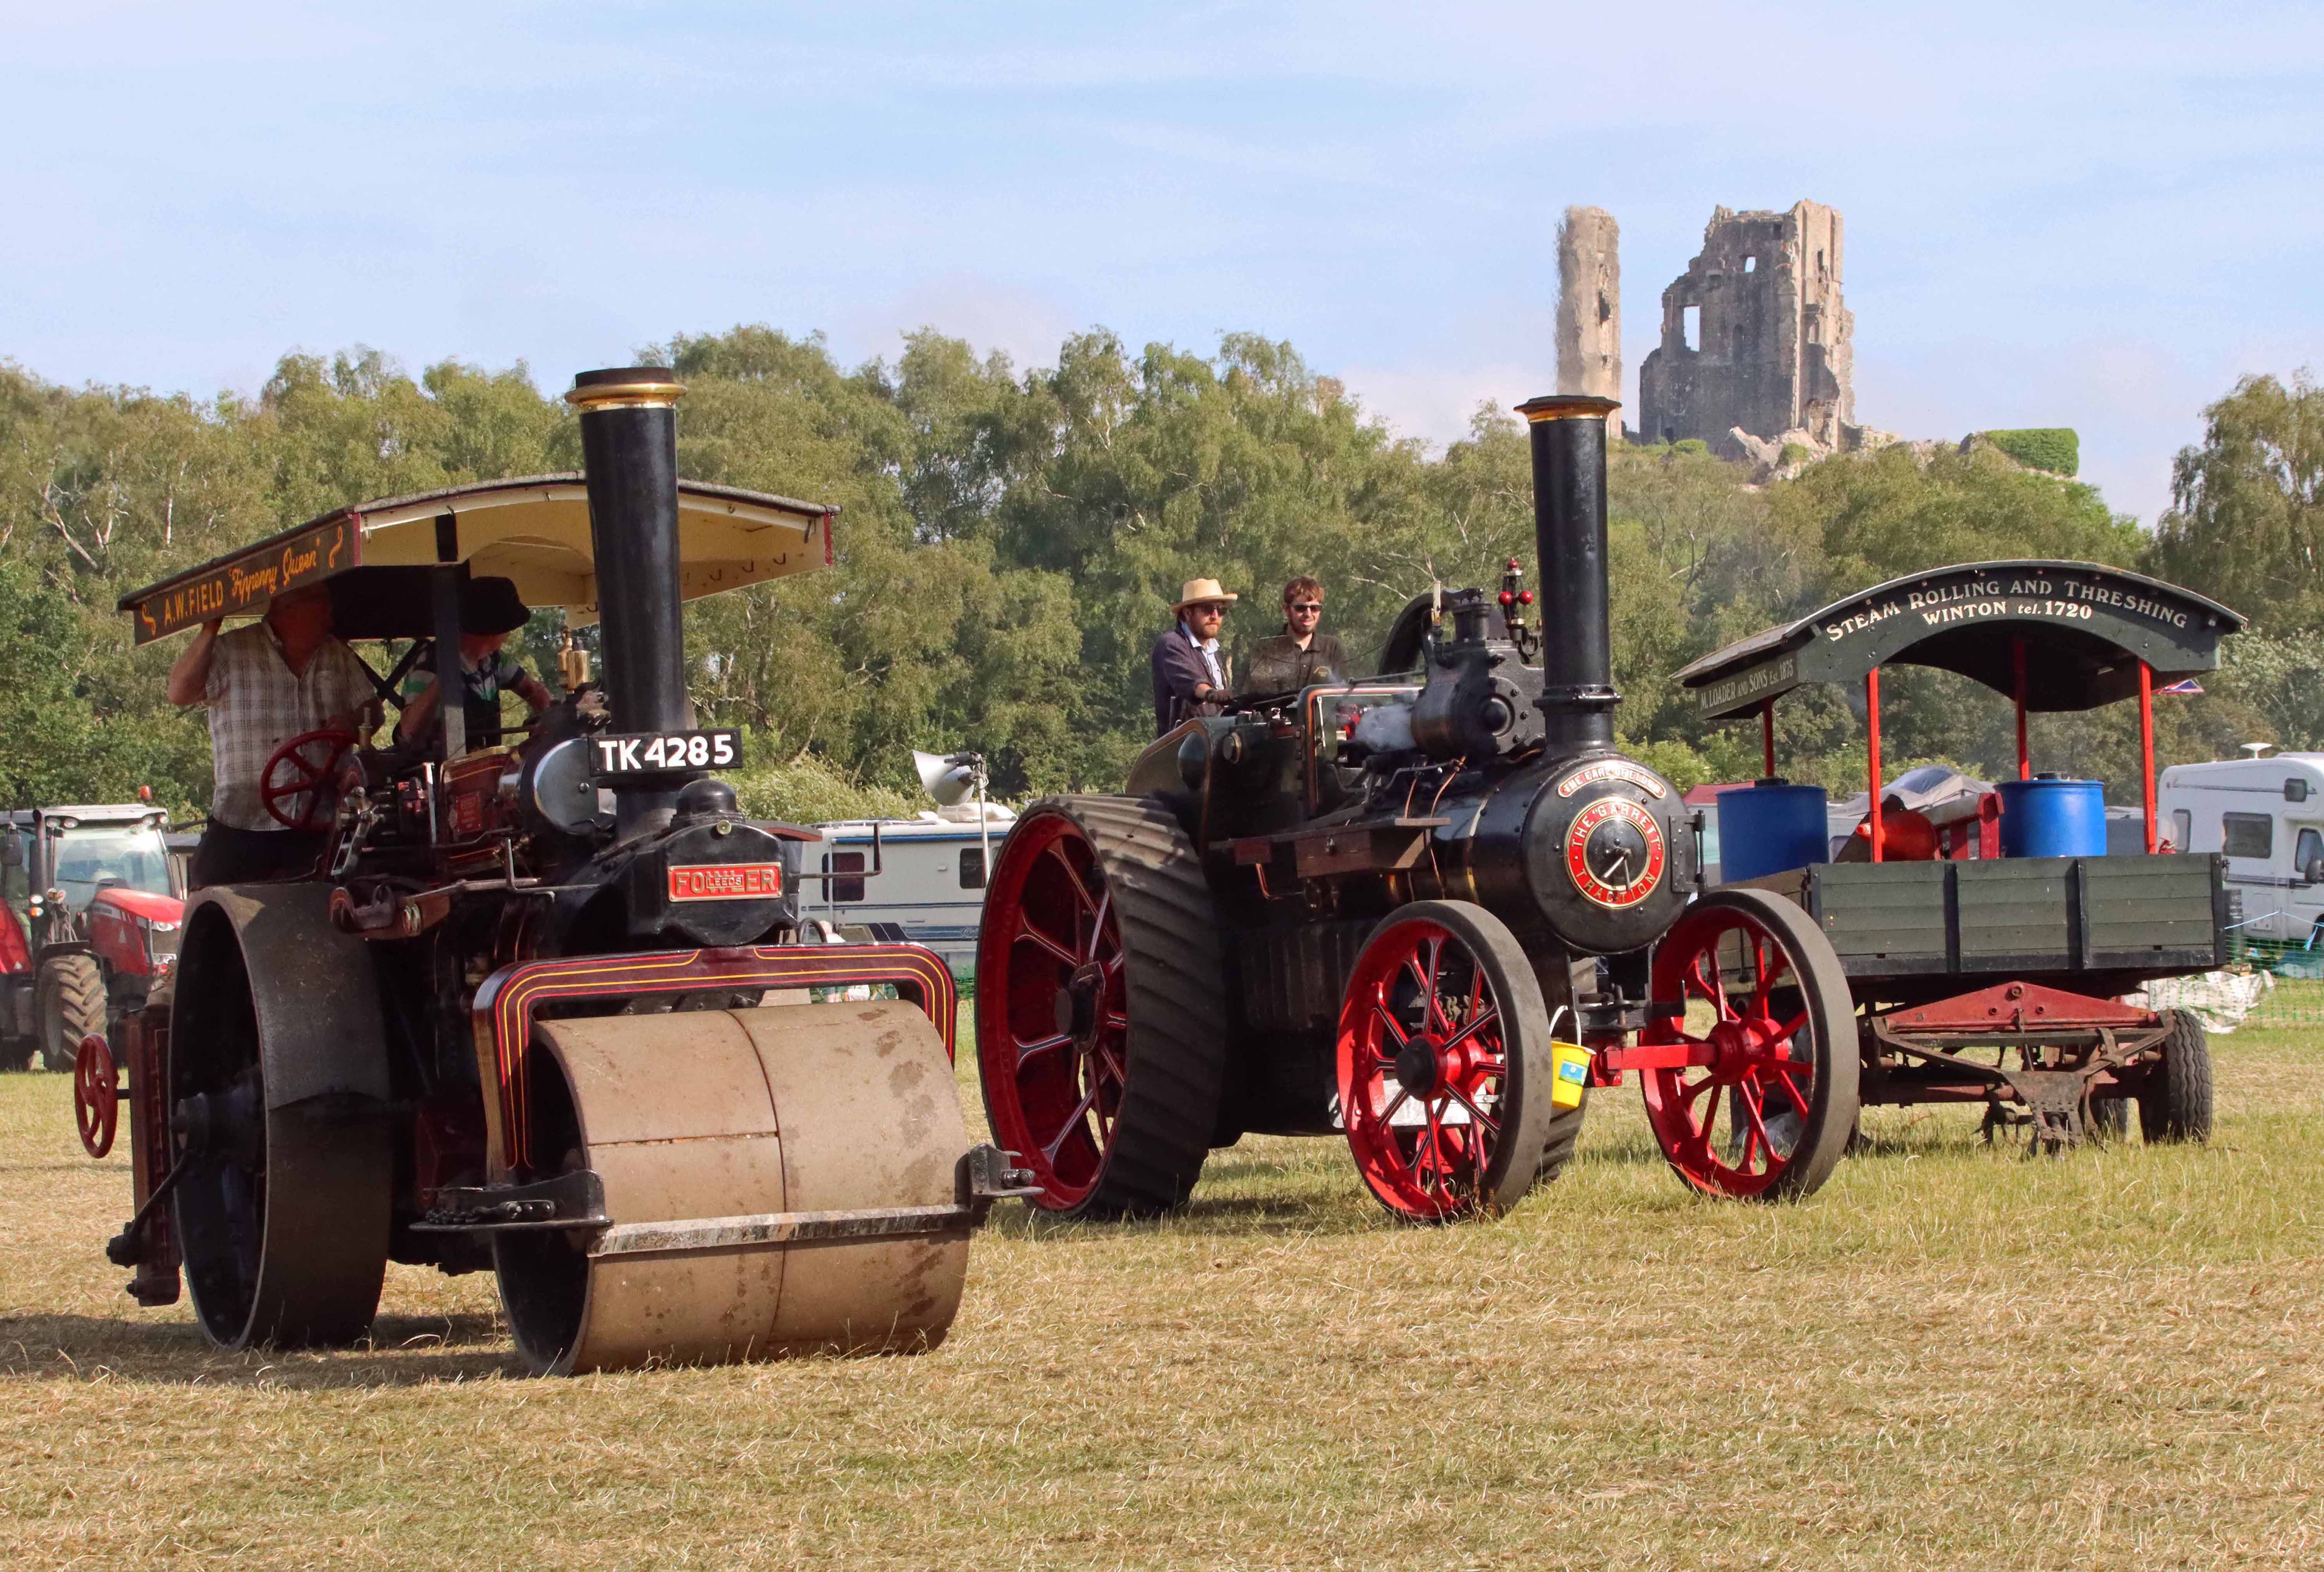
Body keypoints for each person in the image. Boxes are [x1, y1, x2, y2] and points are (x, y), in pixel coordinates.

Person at [167, 582, 380, 888]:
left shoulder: (337, 654)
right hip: (243, 824)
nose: (329, 616)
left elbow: (374, 713)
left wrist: (352, 722)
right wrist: (209, 630)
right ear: (288, 611)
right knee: (214, 892)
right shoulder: (231, 650)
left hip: (320, 824)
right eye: (322, 605)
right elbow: (179, 693)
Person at [396, 577, 553, 753]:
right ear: (492, 630)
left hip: (486, 768)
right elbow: (409, 734)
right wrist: (445, 680)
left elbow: (532, 690)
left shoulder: (495, 661)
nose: (509, 634)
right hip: (443, 774)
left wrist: (549, 720)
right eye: (508, 627)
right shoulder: (432, 661)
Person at [1150, 578, 1237, 736]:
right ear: (1188, 613)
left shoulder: (1213, 650)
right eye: (1208, 610)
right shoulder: (1171, 644)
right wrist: (1212, 694)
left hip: (1212, 740)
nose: (1215, 616)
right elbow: (1191, 681)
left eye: (1221, 611)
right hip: (1182, 747)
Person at [1243, 576, 1348, 693]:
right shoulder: (1266, 650)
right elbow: (1257, 700)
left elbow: (1344, 698)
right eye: (1301, 608)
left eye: (1314, 608)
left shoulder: (1333, 648)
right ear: (1287, 610)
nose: (1308, 614)